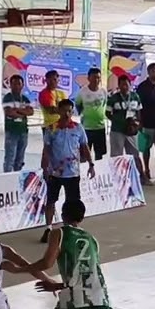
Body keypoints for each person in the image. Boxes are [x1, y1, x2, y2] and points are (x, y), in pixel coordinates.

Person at [40, 98, 97, 241]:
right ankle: (48, 228)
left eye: (70, 111)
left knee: (73, 201)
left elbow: (84, 147)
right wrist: (45, 167)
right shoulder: (51, 128)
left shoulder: (78, 128)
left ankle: (72, 228)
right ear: (58, 111)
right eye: (64, 110)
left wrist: (91, 164)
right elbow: (46, 149)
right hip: (55, 172)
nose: (67, 113)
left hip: (73, 173)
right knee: (51, 201)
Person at [108, 74, 149, 181]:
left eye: (126, 84)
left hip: (132, 130)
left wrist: (138, 124)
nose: (124, 87)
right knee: (117, 155)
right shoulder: (114, 98)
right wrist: (118, 121)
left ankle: (140, 177)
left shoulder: (135, 96)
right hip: (117, 131)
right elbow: (107, 113)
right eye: (122, 85)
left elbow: (139, 112)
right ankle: (117, 178)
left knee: (135, 154)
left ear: (130, 85)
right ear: (119, 86)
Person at [1, 73, 33, 172]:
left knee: (20, 158)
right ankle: (6, 180)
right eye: (14, 84)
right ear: (10, 85)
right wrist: (23, 113)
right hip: (11, 131)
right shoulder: (7, 98)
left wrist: (17, 110)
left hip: (23, 131)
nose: (16, 86)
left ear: (22, 85)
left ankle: (17, 178)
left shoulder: (25, 99)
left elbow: (30, 112)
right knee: (10, 158)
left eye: (19, 84)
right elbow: (9, 113)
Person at [76, 67, 109, 161]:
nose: (96, 80)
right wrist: (84, 114)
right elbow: (78, 105)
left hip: (100, 128)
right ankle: (84, 173)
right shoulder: (82, 91)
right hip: (86, 128)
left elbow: (105, 104)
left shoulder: (103, 91)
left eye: (98, 77)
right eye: (94, 77)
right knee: (84, 154)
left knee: (99, 155)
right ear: (88, 78)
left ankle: (97, 174)